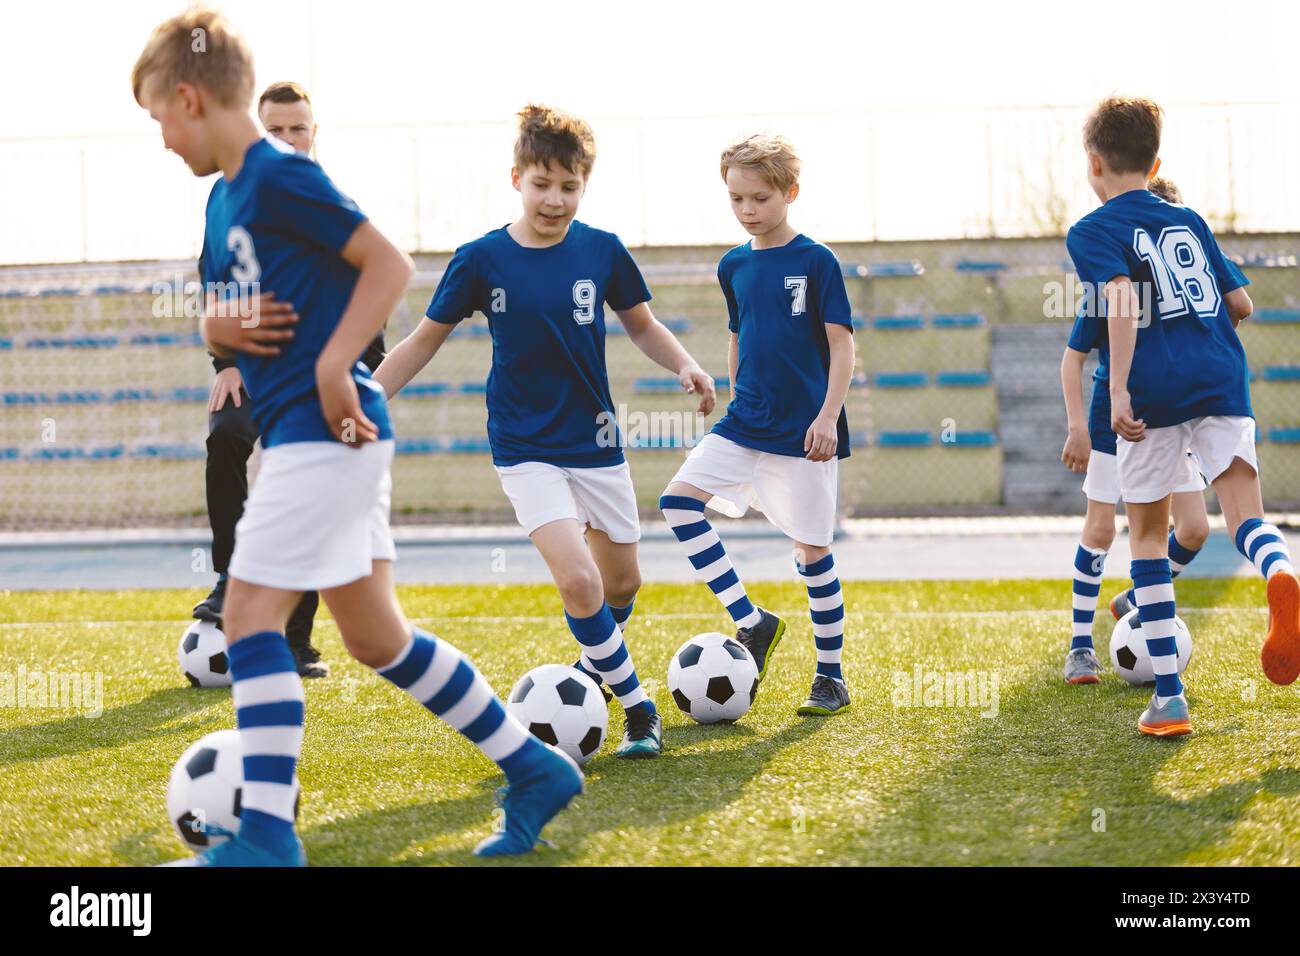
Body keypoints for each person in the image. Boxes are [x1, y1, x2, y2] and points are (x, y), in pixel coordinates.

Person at [134, 8, 580, 864]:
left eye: (159, 119)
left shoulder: (279, 177)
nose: (161, 140)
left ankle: (267, 839)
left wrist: (340, 364)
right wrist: (220, 320)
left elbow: (388, 264)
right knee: (376, 639)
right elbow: (222, 324)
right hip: (321, 435)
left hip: (323, 429)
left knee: (249, 615)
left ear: (188, 98)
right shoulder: (226, 197)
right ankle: (534, 769)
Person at [375, 104, 715, 758]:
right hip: (524, 445)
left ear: (583, 185)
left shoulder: (601, 250)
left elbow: (642, 324)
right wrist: (365, 398)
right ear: (516, 178)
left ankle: (592, 674)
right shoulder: (480, 260)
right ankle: (640, 709)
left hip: (596, 443)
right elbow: (422, 341)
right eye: (542, 184)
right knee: (581, 583)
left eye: (569, 186)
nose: (554, 200)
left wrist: (687, 364)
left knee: (621, 587)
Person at [1065, 96, 1299, 736]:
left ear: (1093, 164)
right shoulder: (1188, 216)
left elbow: (1118, 300)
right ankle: (1281, 574)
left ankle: (1169, 700)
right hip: (1222, 376)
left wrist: (1116, 396)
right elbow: (1242, 303)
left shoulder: (1092, 230)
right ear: (1156, 160)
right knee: (1246, 518)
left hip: (1154, 393)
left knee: (1144, 537)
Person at [193, 80, 386, 679]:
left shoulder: (321, 197)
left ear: (313, 133)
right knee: (226, 435)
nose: (285, 139)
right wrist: (224, 362)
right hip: (256, 366)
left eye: (296, 128)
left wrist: (347, 372)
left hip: (330, 370)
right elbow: (215, 285)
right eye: (273, 129)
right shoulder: (228, 196)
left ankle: (298, 643)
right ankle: (231, 576)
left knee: (315, 508)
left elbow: (376, 282)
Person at [659, 134, 855, 716]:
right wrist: (728, 391)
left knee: (813, 552)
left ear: (790, 192)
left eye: (761, 198)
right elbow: (739, 335)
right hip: (745, 422)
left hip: (804, 433)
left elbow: (842, 347)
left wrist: (826, 418)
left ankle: (831, 675)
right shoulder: (733, 265)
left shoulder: (817, 262)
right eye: (737, 198)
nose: (748, 209)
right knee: (677, 502)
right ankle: (752, 620)